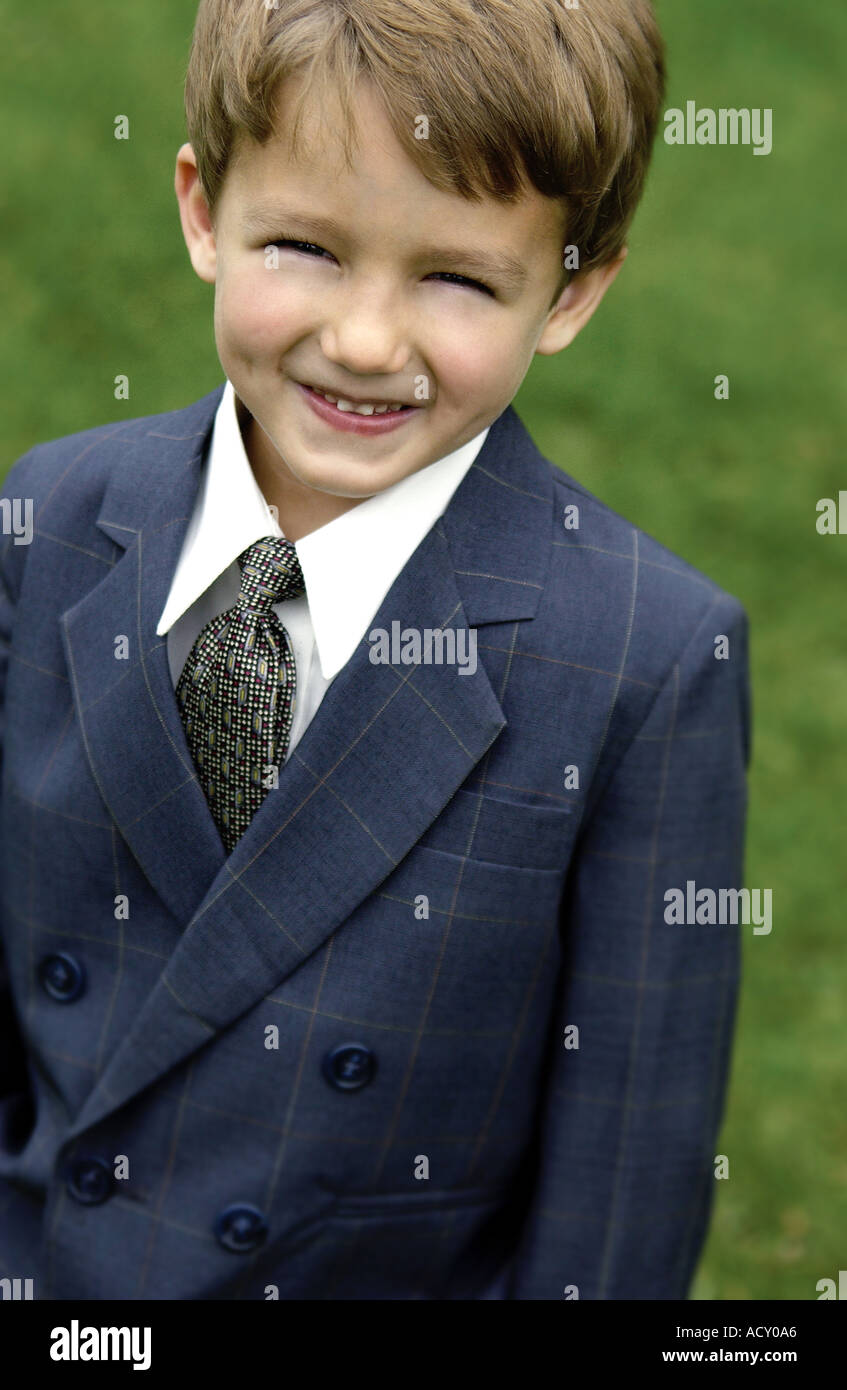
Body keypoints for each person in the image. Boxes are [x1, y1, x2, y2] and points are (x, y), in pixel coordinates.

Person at [0, 0, 750, 1299]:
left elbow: (619, 1208)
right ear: (201, 208)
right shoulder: (50, 518)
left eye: (455, 277)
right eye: (303, 246)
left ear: (572, 290)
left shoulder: (647, 658)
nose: (361, 340)